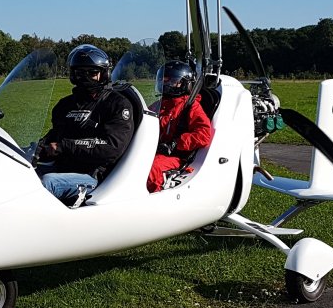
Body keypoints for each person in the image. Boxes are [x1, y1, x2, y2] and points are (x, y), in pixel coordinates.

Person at [37, 44, 135, 207]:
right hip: (61, 168)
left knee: (47, 183)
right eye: (80, 73)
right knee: (20, 175)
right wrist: (37, 148)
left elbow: (111, 147)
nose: (86, 78)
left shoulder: (117, 104)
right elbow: (55, 134)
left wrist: (63, 147)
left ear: (104, 74)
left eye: (92, 73)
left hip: (93, 176)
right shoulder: (65, 105)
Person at [148, 60, 213, 192]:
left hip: (174, 156)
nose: (166, 84)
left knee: (150, 170)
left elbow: (203, 134)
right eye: (164, 80)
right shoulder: (157, 105)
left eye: (171, 81)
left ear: (184, 84)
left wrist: (175, 144)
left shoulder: (190, 107)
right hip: (151, 152)